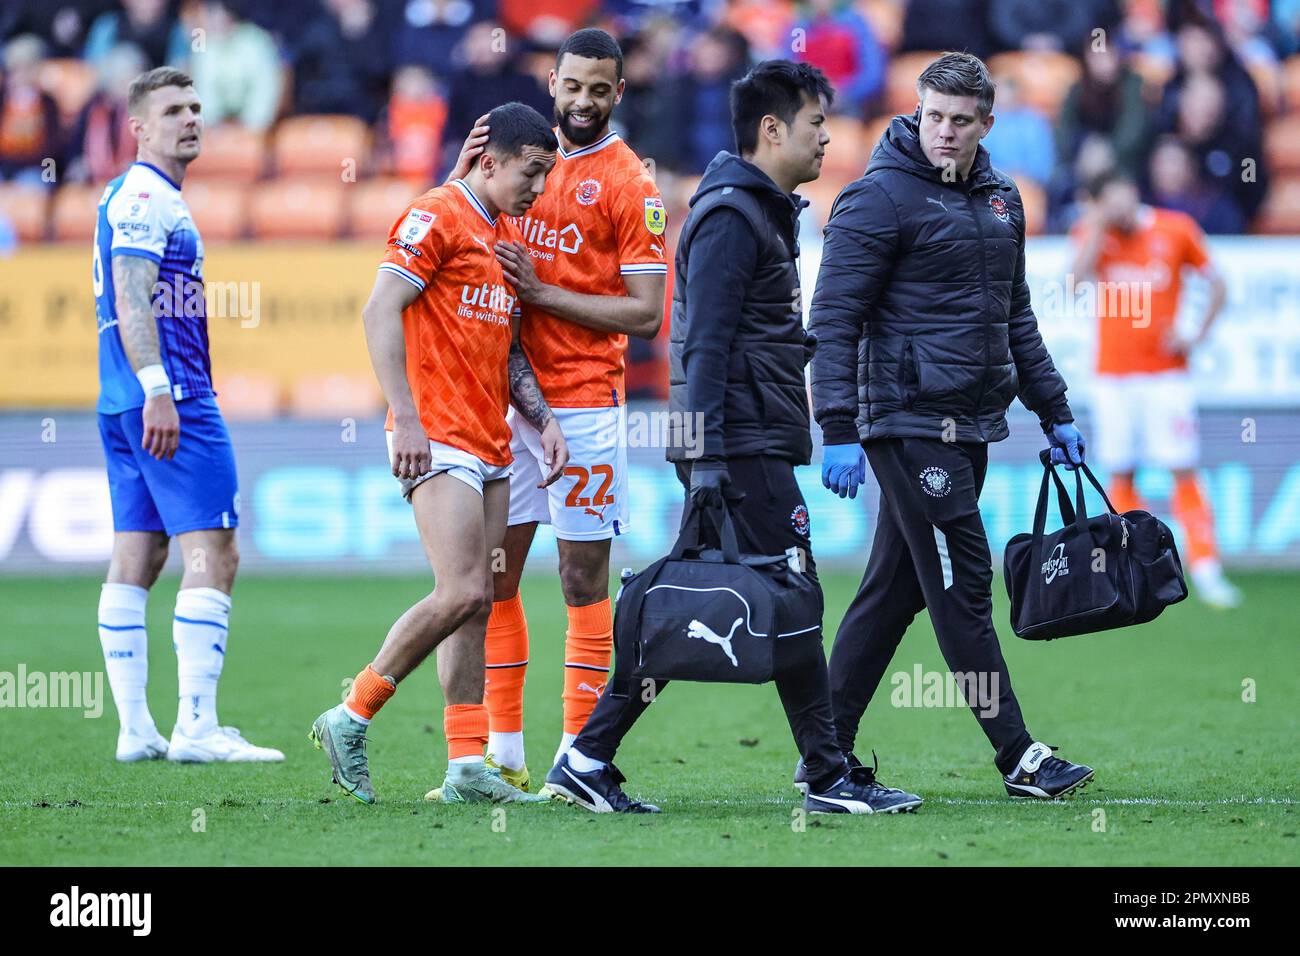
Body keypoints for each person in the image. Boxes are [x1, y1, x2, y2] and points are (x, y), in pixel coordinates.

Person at [544, 59, 924, 816]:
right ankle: (822, 774)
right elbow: (702, 347)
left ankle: (590, 756)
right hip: (735, 443)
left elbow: (736, 338)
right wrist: (707, 458)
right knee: (786, 595)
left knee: (772, 601)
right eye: (818, 125)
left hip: (747, 436)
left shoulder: (760, 208)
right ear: (773, 129)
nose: (828, 140)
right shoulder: (730, 214)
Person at [810, 51, 1094, 800]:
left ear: (986, 123)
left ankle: (824, 760)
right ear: (916, 111)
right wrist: (836, 426)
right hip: (907, 423)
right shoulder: (876, 199)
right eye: (933, 116)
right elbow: (832, 321)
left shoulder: (1002, 200)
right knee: (964, 580)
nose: (943, 132)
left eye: (960, 121)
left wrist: (1054, 410)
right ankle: (1019, 757)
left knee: (894, 592)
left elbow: (1016, 315)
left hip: (971, 424)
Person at [430, 29, 669, 796]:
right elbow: (446, 233)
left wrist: (540, 293)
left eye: (600, 89)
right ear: (552, 82)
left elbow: (645, 314)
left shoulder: (631, 183)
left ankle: (577, 755)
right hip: (503, 397)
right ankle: (500, 753)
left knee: (579, 576)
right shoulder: (516, 160)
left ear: (619, 93)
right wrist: (459, 174)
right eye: (572, 86)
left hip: (587, 400)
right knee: (495, 575)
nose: (583, 102)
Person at [309, 103, 568, 806]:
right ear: (491, 160)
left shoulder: (503, 235)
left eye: (546, 175)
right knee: (462, 590)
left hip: (490, 439)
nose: (537, 189)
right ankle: (350, 714)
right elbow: (378, 308)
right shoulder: (435, 215)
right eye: (531, 172)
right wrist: (408, 419)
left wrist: (539, 419)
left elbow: (508, 345)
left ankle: (464, 767)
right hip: (438, 435)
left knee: (476, 607)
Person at [93, 66, 282, 764]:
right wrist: (160, 388)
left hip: (120, 401)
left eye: (197, 107)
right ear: (139, 126)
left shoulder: (132, 193)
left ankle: (136, 729)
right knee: (216, 552)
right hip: (169, 399)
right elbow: (132, 296)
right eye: (174, 109)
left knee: (138, 553)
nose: (192, 118)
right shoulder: (148, 197)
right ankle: (196, 729)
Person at [1071, 167, 1240, 607]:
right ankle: (1136, 567)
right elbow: (1073, 283)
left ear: (1133, 190)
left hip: (1167, 376)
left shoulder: (1175, 228)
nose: (1119, 208)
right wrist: (1097, 227)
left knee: (1181, 467)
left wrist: (1195, 334)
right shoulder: (1093, 234)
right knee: (1121, 471)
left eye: (1122, 196)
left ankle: (1206, 568)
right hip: (1112, 378)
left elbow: (1218, 283)